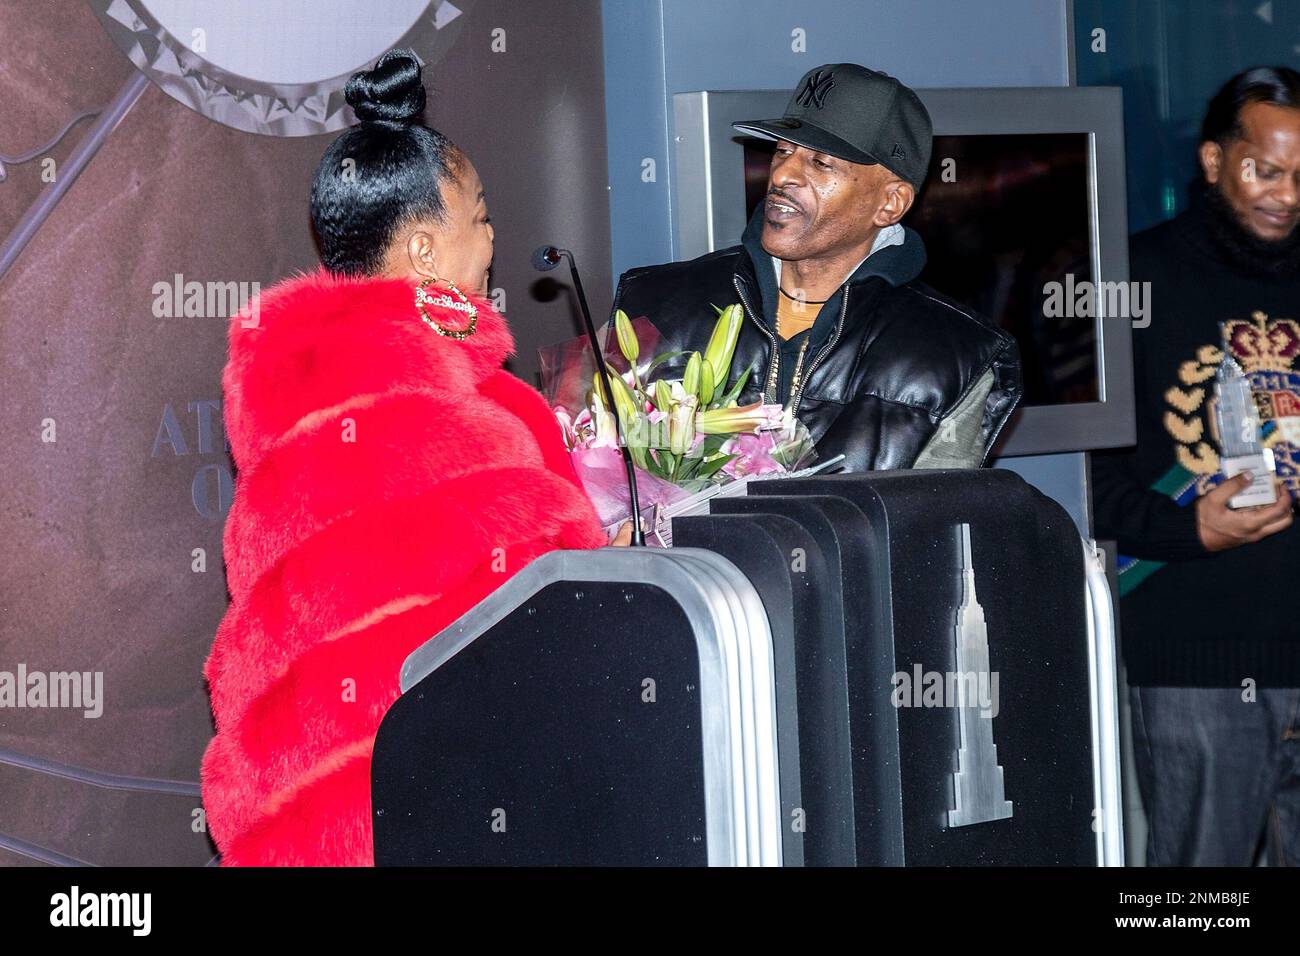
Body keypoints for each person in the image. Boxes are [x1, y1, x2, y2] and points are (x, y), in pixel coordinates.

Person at [200, 49, 616, 865]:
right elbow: (568, 614)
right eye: (482, 216)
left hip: (300, 807)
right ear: (425, 251)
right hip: (440, 807)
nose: (495, 239)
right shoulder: (493, 414)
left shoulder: (278, 404)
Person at [610, 63, 1022, 471]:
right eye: (783, 151)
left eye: (821, 163)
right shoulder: (654, 303)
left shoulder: (956, 355)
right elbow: (592, 469)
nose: (783, 174)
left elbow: (931, 525)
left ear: (890, 203)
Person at [1091, 66, 1300, 866]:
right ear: (1214, 161)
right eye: (1264, 168)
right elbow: (1081, 478)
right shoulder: (1125, 282)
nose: (1284, 193)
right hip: (1194, 668)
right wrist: (1186, 529)